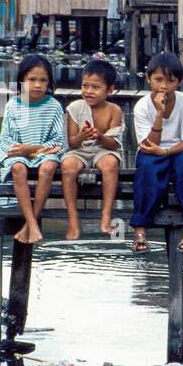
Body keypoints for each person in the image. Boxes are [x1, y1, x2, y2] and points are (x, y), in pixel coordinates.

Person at [130, 52, 183, 254]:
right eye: (158, 80)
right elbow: (148, 144)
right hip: (150, 151)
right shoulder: (142, 106)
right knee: (146, 171)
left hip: (176, 151)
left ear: (178, 82)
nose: (164, 86)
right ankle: (140, 227)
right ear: (148, 80)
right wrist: (159, 114)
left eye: (170, 81)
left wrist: (166, 151)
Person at [0, 54, 65, 244]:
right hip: (19, 154)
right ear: (21, 81)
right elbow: (5, 140)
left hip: (44, 154)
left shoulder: (54, 107)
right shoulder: (13, 105)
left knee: (48, 168)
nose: (37, 85)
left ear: (49, 82)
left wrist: (33, 149)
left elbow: (59, 141)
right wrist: (23, 151)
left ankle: (30, 223)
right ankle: (32, 222)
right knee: (18, 168)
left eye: (43, 80)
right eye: (32, 80)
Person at [59, 57, 123, 240]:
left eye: (96, 87)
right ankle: (72, 219)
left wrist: (100, 136)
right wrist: (82, 136)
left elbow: (113, 144)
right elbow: (72, 143)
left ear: (110, 90)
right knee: (68, 165)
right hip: (79, 151)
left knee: (110, 164)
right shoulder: (75, 108)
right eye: (85, 86)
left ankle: (106, 215)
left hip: (103, 150)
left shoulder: (114, 110)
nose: (89, 91)